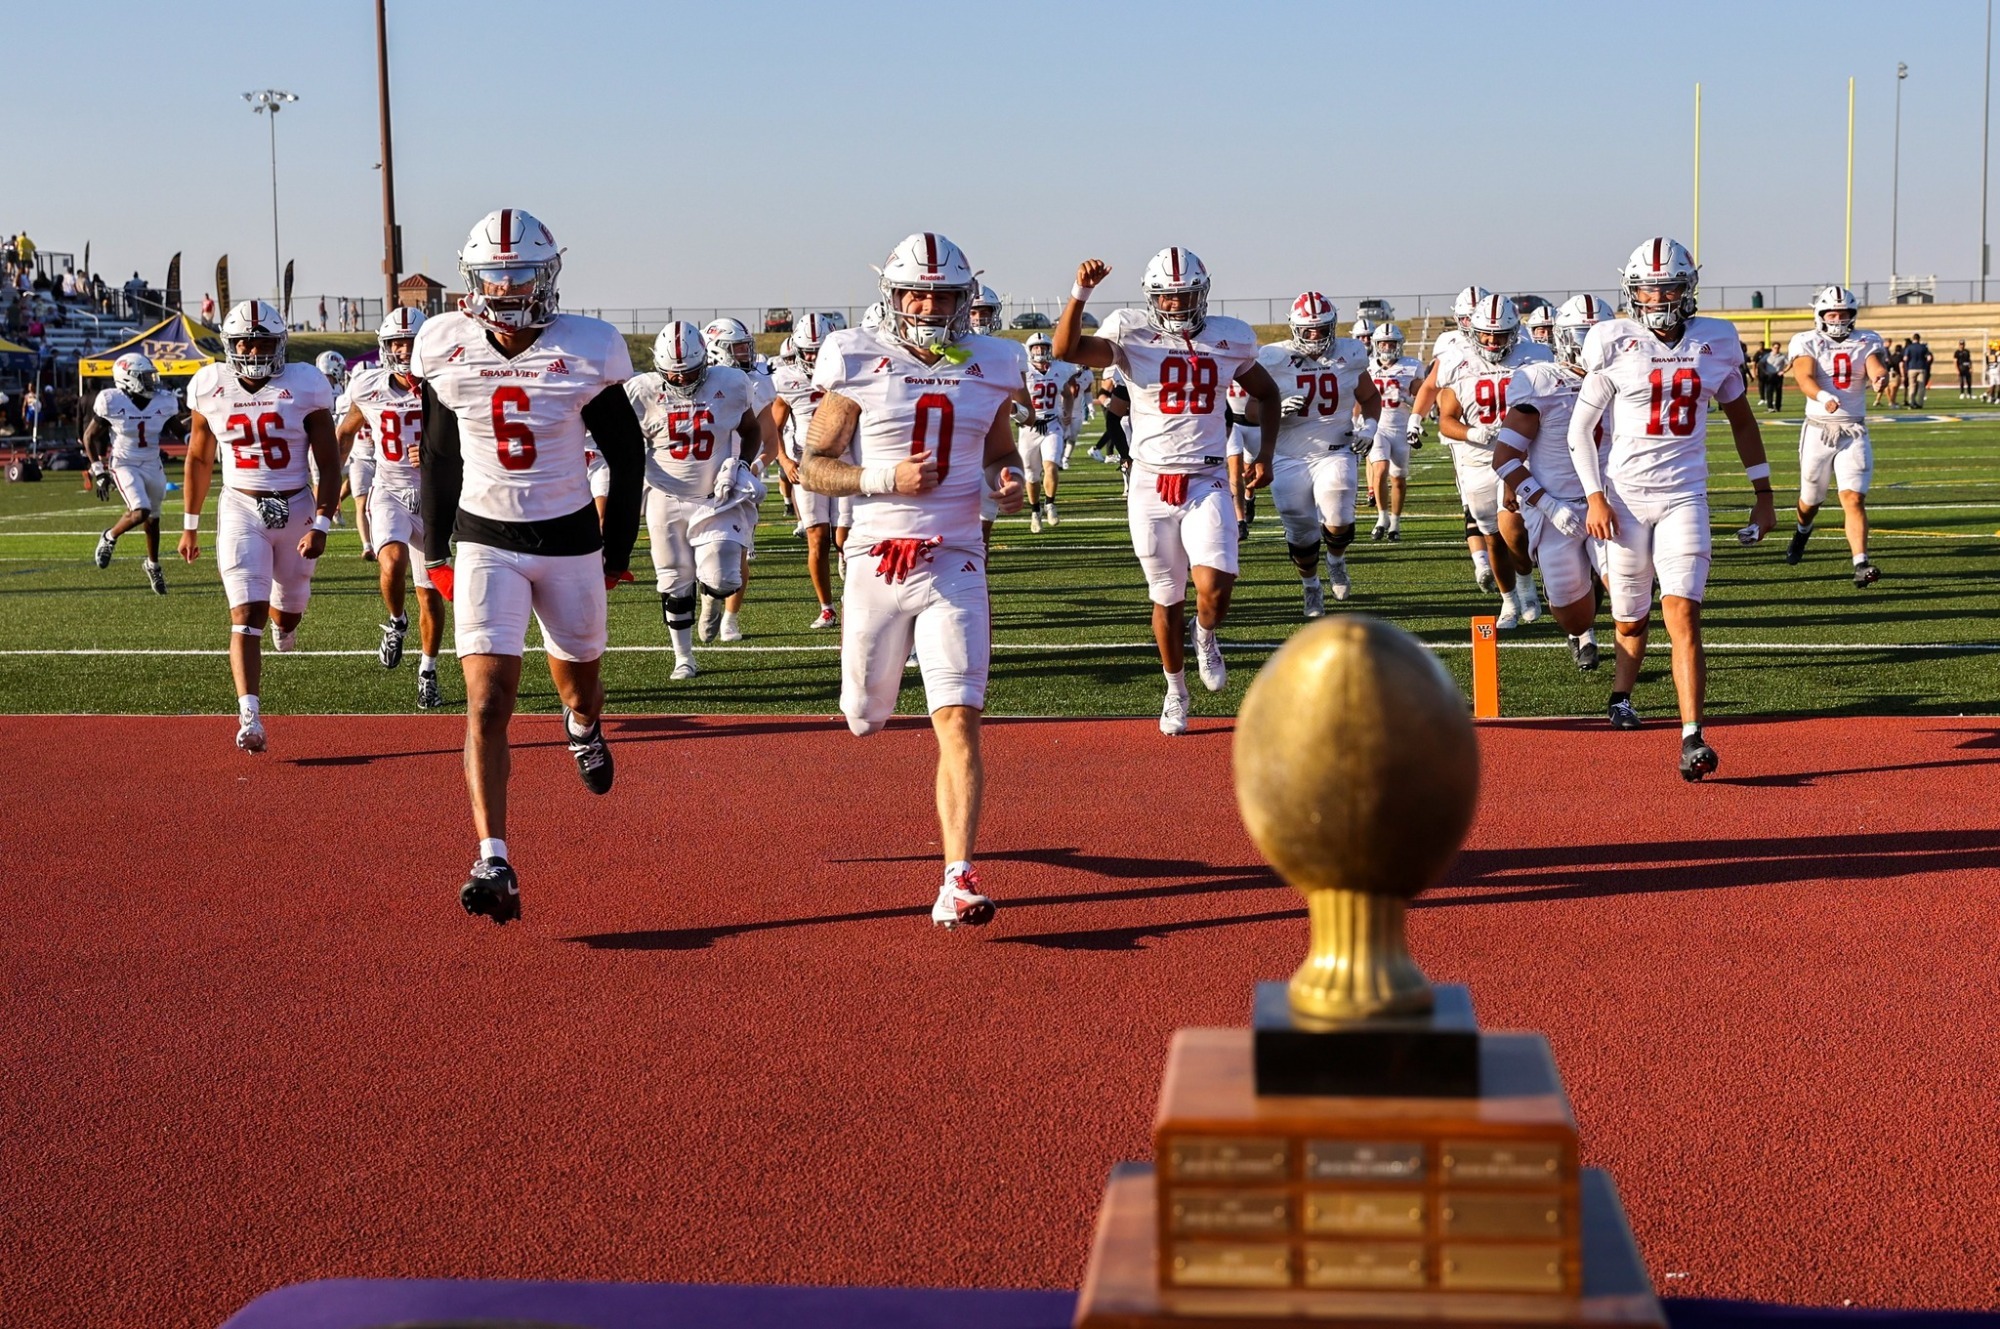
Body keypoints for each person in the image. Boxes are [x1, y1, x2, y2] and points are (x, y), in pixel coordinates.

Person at [414, 208, 645, 924]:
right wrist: (433, 549)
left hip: (570, 539)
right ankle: (494, 855)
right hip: (486, 539)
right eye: (496, 277)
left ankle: (582, 727)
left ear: (548, 278)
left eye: (521, 277)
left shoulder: (589, 345)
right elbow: (440, 453)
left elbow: (626, 451)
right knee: (488, 699)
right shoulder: (443, 342)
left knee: (579, 687)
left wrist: (617, 550)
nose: (509, 290)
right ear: (472, 281)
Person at [798, 231, 1028, 928]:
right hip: (874, 558)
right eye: (915, 292)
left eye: (942, 294)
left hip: (955, 557)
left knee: (959, 717)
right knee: (865, 717)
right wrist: (880, 478)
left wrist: (1007, 479)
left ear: (966, 299)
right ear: (892, 296)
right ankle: (867, 709)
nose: (928, 304)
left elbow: (1000, 448)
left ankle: (957, 877)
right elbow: (812, 462)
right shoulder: (858, 355)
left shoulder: (994, 360)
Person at [1567, 237, 1775, 780]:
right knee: (1631, 618)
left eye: (1669, 287)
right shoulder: (1612, 341)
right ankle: (1620, 694)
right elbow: (1579, 431)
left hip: (1686, 495)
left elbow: (1741, 419)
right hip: (1625, 499)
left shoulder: (1717, 340)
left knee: (1682, 612)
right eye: (1648, 288)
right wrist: (1593, 495)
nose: (1658, 298)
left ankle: (1692, 737)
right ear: (1632, 291)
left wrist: (1764, 494)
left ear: (1689, 288)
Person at [1053, 249, 1284, 735]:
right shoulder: (1130, 330)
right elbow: (1065, 351)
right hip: (1150, 483)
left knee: (1215, 589)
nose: (1176, 305)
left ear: (1202, 293)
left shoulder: (1230, 336)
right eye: (1167, 296)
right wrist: (1081, 294)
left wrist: (1264, 455)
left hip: (1207, 477)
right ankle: (1175, 690)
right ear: (1151, 297)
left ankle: (1206, 636)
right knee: (1167, 597)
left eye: (1185, 296)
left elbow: (1267, 392)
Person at [178, 301, 341, 752]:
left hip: (297, 506)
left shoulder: (305, 383)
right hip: (240, 507)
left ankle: (284, 625)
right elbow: (199, 457)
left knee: (287, 610)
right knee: (245, 613)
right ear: (230, 345)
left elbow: (329, 462)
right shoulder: (210, 385)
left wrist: (323, 523)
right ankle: (249, 714)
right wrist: (190, 524)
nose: (252, 348)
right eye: (244, 341)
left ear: (279, 343)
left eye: (262, 340)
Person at [630, 320, 762, 680]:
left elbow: (750, 430)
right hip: (665, 496)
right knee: (674, 579)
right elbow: (626, 445)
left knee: (724, 581)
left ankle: (711, 596)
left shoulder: (730, 383)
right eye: (673, 374)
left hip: (714, 497)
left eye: (689, 372)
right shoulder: (641, 392)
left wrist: (742, 464)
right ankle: (683, 657)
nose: (681, 381)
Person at [1492, 294, 1609, 672]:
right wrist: (1546, 504)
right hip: (1560, 504)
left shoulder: (1631, 376)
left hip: (1612, 504)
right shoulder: (1540, 380)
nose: (1586, 344)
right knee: (1574, 617)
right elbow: (1504, 458)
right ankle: (1580, 626)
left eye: (1596, 335)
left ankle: (1622, 684)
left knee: (1629, 598)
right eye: (1579, 334)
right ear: (1561, 337)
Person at [338, 306, 445, 707]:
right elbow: (345, 431)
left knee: (430, 596)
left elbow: (476, 435)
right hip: (390, 490)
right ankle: (396, 622)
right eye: (396, 342)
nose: (402, 350)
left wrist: (438, 451)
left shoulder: (445, 383)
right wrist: (332, 478)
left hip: (436, 497)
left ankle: (428, 670)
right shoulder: (368, 386)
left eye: (410, 342)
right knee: (391, 560)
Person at [1257, 292, 1381, 616]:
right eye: (1308, 330)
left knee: (1339, 516)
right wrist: (1275, 410)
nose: (1315, 335)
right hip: (1287, 455)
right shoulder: (1272, 358)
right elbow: (1248, 410)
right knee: (1301, 531)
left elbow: (1370, 397)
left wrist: (1369, 428)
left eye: (1322, 328)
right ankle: (1311, 585)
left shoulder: (1349, 354)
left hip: (1335, 448)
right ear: (1295, 328)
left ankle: (1336, 560)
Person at [1437, 293, 1553, 628]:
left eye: (1499, 333)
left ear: (1514, 331)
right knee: (1492, 537)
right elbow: (1447, 418)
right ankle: (1508, 602)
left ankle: (1527, 586)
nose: (1491, 340)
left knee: (1514, 527)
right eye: (1486, 333)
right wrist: (1472, 433)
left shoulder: (1536, 356)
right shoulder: (1456, 361)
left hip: (1521, 453)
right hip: (1477, 458)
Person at [1783, 286, 1891, 587]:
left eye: (1843, 313)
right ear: (1820, 315)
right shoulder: (1807, 340)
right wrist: (1822, 395)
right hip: (1819, 430)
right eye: (1832, 312)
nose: (1838, 318)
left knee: (1853, 498)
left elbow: (1875, 366)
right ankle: (1802, 533)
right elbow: (1803, 377)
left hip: (1853, 431)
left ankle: (1860, 563)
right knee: (1811, 500)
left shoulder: (1866, 339)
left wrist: (1880, 377)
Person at [700, 316, 778, 643]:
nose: (747, 354)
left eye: (747, 347)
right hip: (701, 476)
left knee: (738, 553)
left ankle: (730, 618)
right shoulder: (697, 380)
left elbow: (770, 442)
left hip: (740, 478)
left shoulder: (759, 382)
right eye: (738, 348)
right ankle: (706, 598)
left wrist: (751, 469)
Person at [772, 312, 847, 628]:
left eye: (819, 350)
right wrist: (786, 461)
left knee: (845, 539)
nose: (813, 357)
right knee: (817, 538)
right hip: (808, 466)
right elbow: (771, 427)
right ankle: (827, 607)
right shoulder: (786, 379)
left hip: (846, 466)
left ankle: (854, 594)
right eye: (808, 351)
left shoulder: (851, 372)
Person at [87, 353, 183, 594]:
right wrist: (98, 470)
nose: (152, 381)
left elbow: (179, 431)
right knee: (141, 510)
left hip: (152, 463)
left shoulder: (164, 401)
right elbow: (90, 436)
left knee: (153, 519)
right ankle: (109, 536)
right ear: (128, 379)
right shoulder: (111, 401)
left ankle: (153, 565)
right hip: (124, 463)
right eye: (145, 377)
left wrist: (199, 432)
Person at [1366, 322, 1422, 541]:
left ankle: (1395, 524)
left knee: (1398, 478)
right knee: (1379, 470)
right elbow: (1359, 396)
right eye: (1383, 343)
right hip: (1376, 425)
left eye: (1391, 343)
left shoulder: (1411, 366)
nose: (1388, 347)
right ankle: (1381, 518)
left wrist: (1407, 399)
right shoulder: (1367, 366)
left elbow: (1422, 398)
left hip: (1400, 427)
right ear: (1376, 344)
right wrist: (1356, 423)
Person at [1017, 332, 1076, 531]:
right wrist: (1021, 417)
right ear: (1029, 350)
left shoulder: (1059, 369)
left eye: (1044, 348)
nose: (1040, 352)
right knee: (1031, 476)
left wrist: (1066, 411)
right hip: (1029, 427)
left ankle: (1050, 503)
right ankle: (1035, 511)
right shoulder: (1023, 372)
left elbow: (1067, 394)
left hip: (1052, 424)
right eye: (1036, 348)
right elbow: (1012, 399)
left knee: (1050, 465)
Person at [1901, 333, 1932, 408]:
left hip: (1911, 368)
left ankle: (1911, 402)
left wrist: (1907, 367)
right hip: (1921, 368)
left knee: (1912, 386)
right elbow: (1929, 358)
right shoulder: (1923, 347)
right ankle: (1920, 403)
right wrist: (1925, 364)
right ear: (1919, 339)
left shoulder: (1909, 347)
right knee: (1921, 386)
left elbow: (1905, 358)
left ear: (1913, 339)